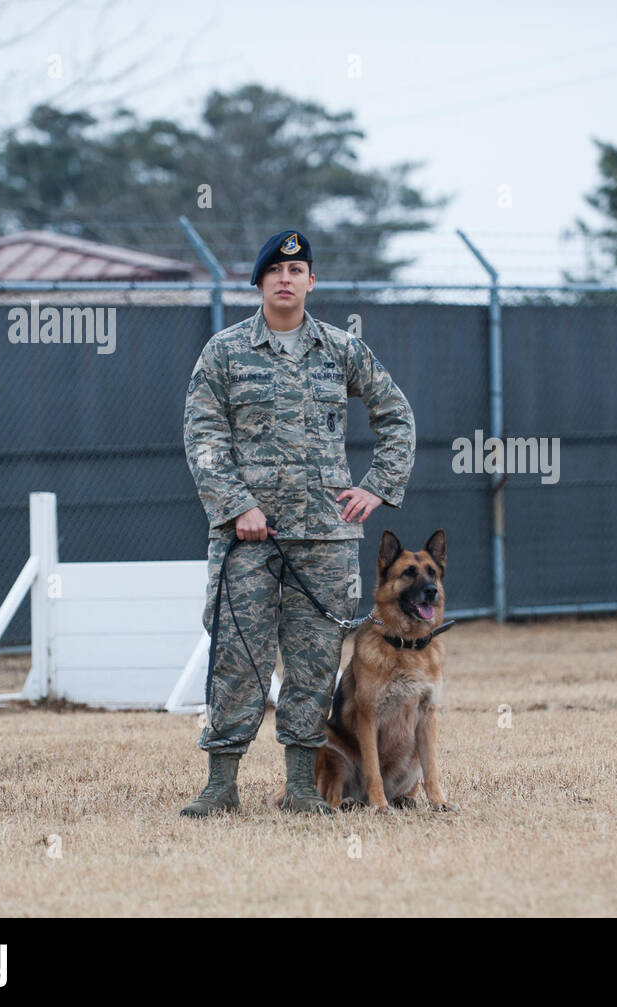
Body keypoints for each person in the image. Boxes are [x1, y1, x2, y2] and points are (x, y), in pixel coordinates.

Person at [180, 229, 415, 816]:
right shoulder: (224, 352)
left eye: (298, 270)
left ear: (312, 282)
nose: (286, 279)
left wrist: (377, 487)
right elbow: (202, 437)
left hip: (325, 538)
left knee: (314, 661)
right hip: (246, 540)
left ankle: (304, 786)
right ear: (259, 282)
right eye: (275, 272)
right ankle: (221, 782)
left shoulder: (342, 349)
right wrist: (238, 505)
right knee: (239, 657)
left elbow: (397, 416)